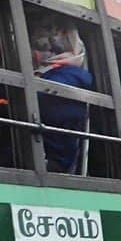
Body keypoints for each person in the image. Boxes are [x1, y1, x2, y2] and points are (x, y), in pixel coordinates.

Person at [31, 19, 93, 174]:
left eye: (44, 43)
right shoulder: (49, 74)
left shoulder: (72, 77)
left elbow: (33, 101)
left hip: (53, 163)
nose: (38, 50)